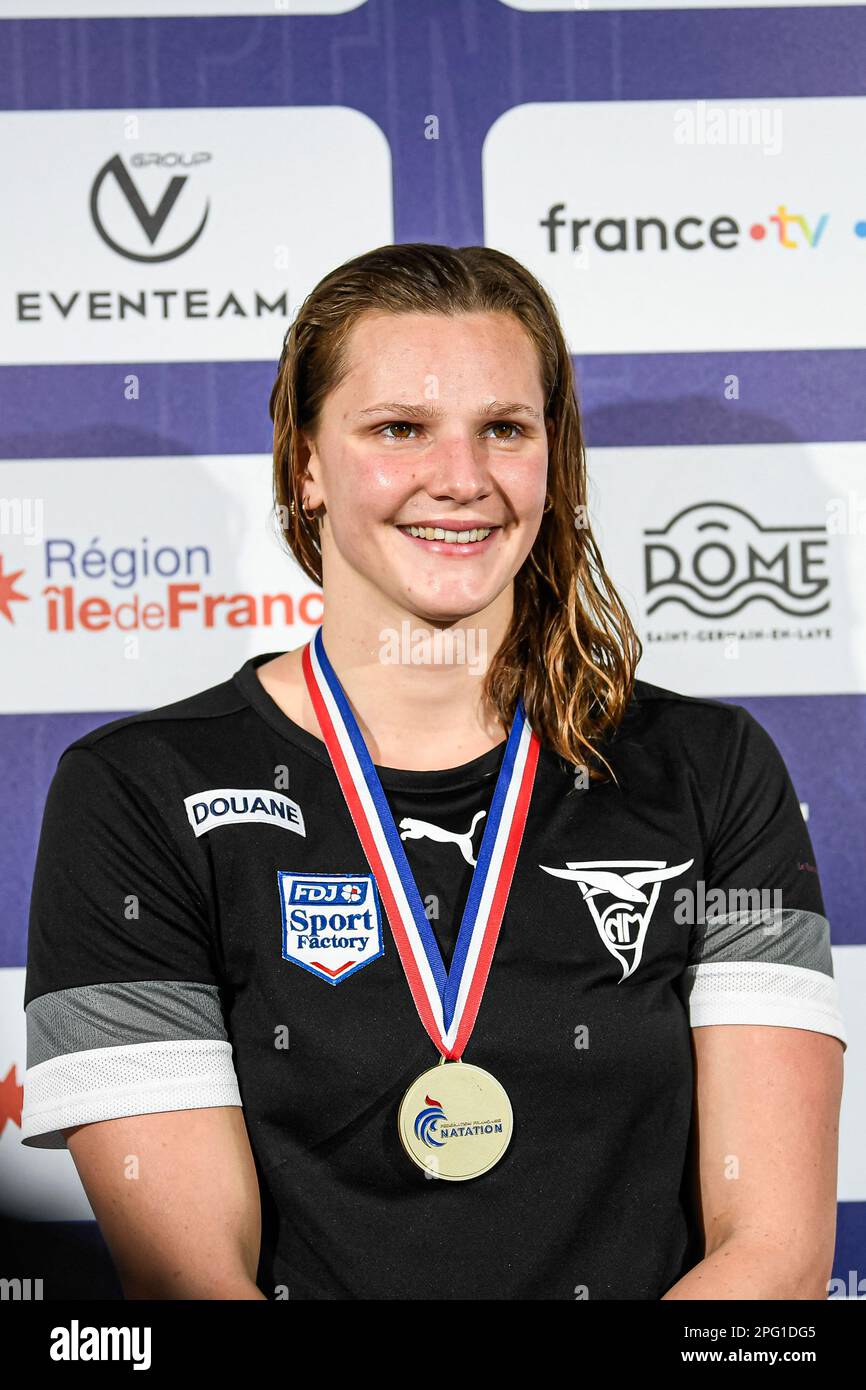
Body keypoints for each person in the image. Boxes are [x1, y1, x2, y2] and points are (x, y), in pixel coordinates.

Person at [21, 243, 846, 1301]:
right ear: (306, 461)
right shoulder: (137, 794)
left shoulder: (707, 771)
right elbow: (193, 1284)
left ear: (552, 459)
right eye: (398, 429)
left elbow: (775, 1258)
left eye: (503, 429)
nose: (460, 479)